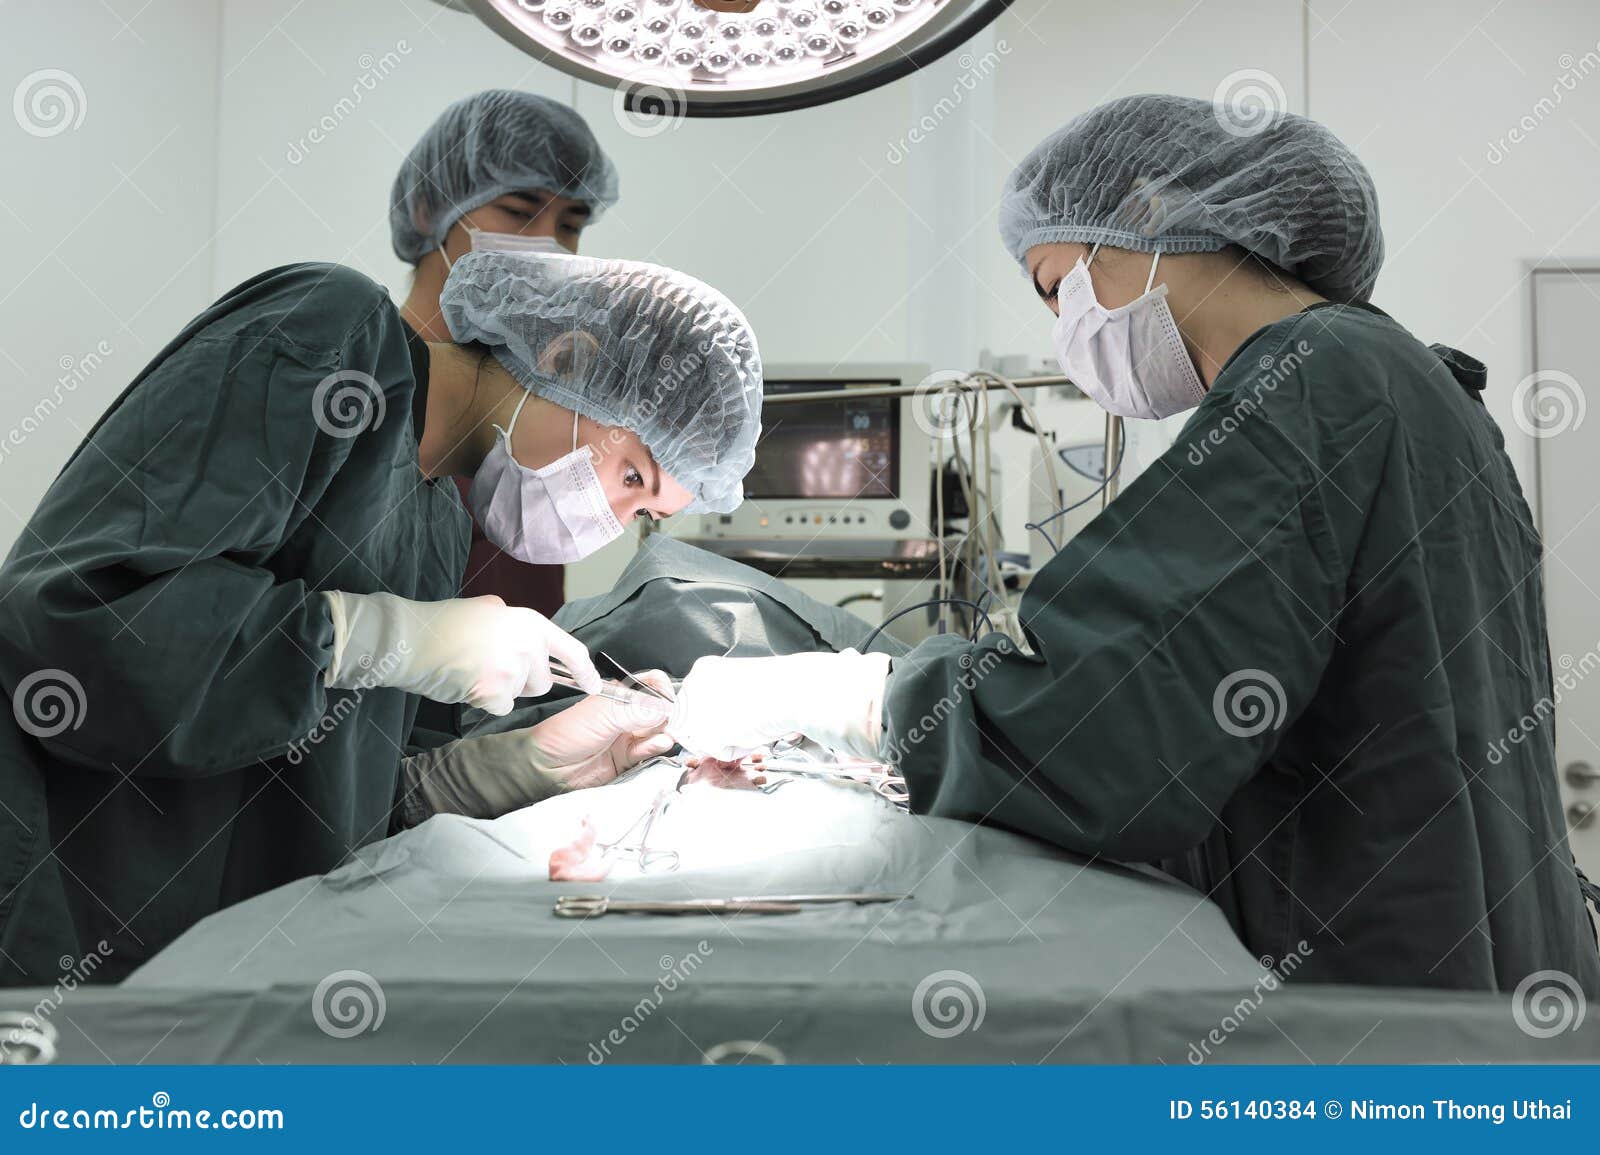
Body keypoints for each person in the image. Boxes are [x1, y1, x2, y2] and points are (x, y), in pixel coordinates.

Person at [667, 94, 1600, 993]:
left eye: (1054, 288)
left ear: (1149, 212)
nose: (1066, 328)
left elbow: (1108, 725)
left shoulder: (1313, 383)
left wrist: (859, 699)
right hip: (1479, 946)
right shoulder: (1401, 380)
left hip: (1378, 985)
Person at [0, 247, 761, 983]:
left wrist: (514, 766)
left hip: (214, 968)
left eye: (642, 513)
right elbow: (74, 625)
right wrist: (375, 636)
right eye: (632, 475)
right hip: (62, 924)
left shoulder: (435, 525)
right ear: (565, 355)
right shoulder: (329, 332)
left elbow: (323, 793)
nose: (611, 518)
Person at [393, 88, 621, 616]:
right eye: (519, 211)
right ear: (429, 209)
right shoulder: (363, 385)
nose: (549, 246)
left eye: (570, 226)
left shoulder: (539, 415)